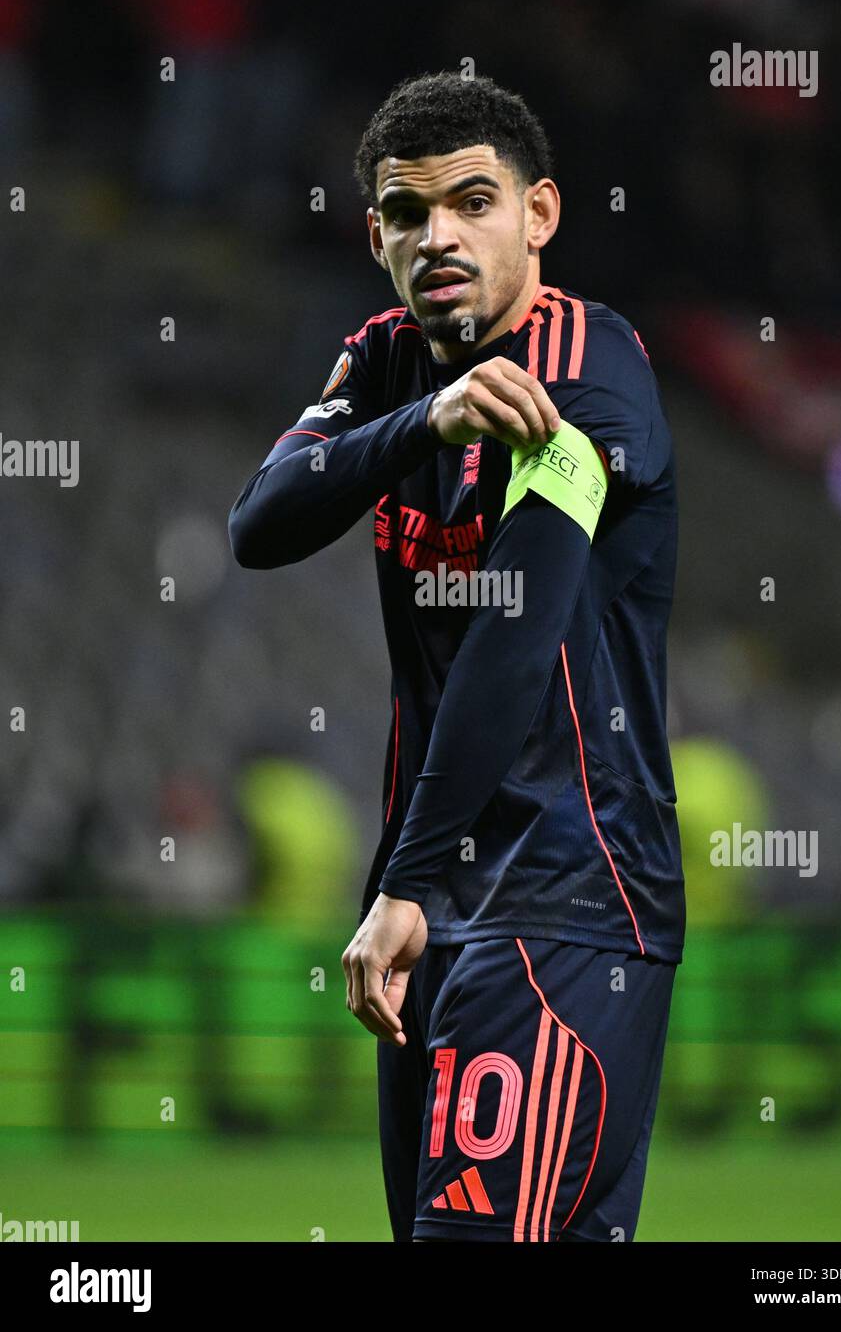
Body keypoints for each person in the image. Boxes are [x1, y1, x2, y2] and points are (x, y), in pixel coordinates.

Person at [229, 70, 684, 1243]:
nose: (438, 236)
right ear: (375, 236)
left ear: (539, 215)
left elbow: (513, 639)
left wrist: (405, 882)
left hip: (564, 890)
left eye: (472, 202)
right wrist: (426, 420)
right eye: (406, 212)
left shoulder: (589, 368)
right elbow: (260, 522)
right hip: (439, 901)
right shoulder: (385, 360)